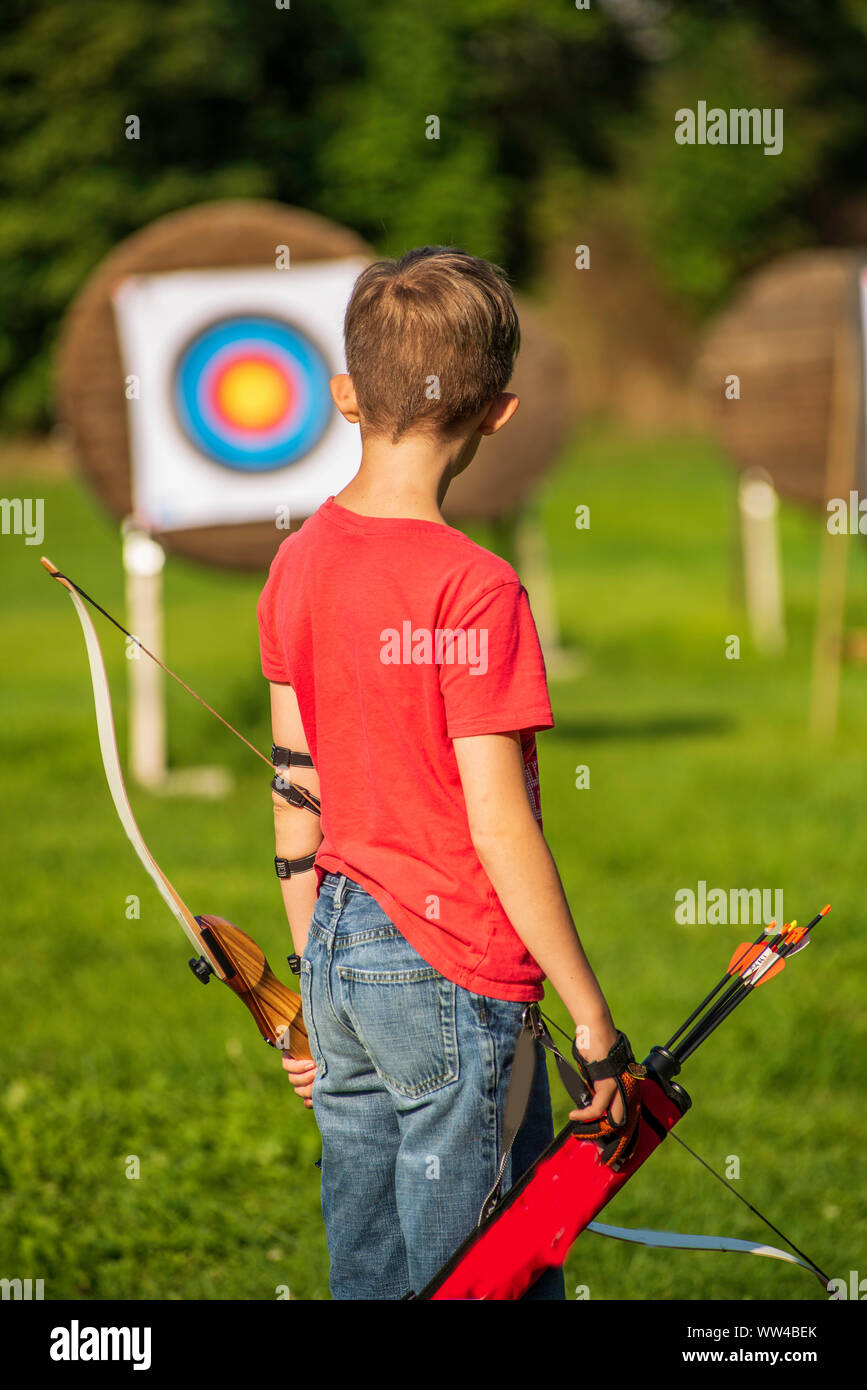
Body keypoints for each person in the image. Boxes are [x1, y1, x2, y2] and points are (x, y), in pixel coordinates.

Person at [256, 246, 624, 1301]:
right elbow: (499, 826)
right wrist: (592, 1023)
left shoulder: (299, 560)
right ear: (499, 415)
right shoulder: (477, 587)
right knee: (481, 1279)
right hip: (453, 971)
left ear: (342, 395)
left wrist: (308, 993)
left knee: (370, 1271)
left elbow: (294, 783)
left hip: (338, 950)